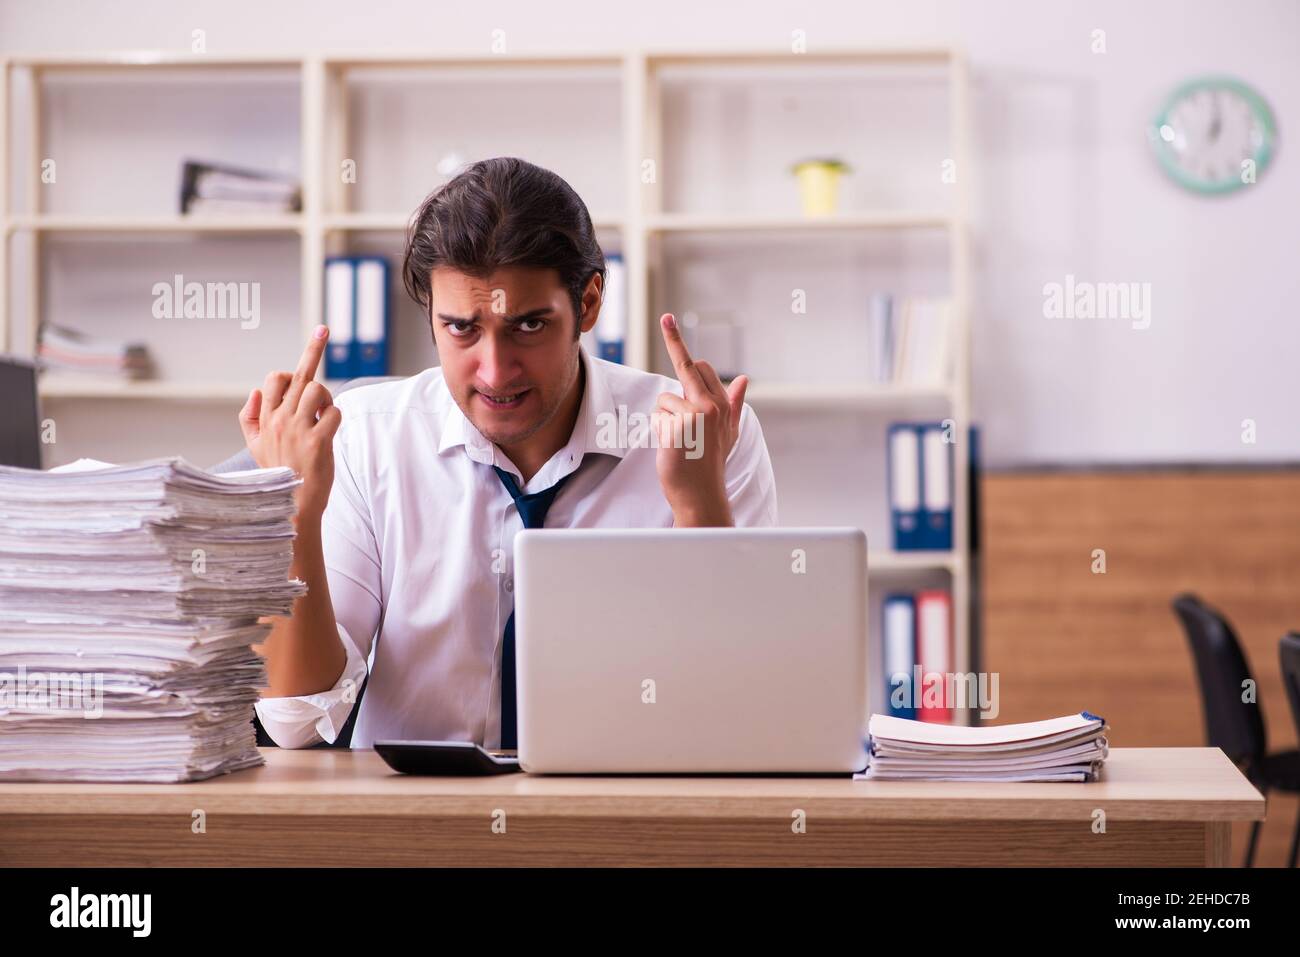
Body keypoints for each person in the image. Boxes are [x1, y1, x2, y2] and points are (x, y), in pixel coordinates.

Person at [240, 157, 777, 749]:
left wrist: (697, 506)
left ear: (590, 304)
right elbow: (295, 722)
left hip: (630, 818)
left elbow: (738, 708)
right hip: (413, 824)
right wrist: (290, 511)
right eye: (461, 329)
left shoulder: (708, 434)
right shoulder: (366, 440)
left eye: (528, 327)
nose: (495, 371)